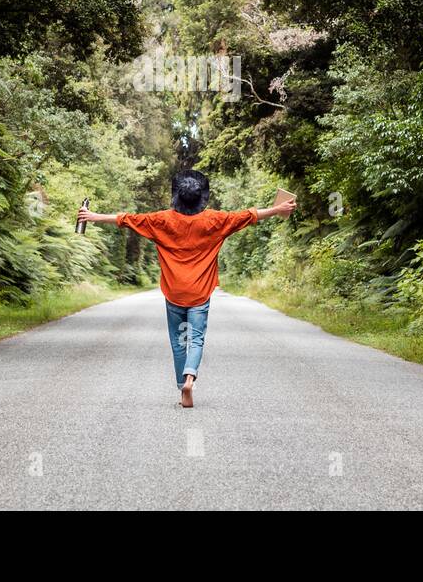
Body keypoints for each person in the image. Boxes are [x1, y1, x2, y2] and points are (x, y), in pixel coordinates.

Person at [76, 170, 296, 408]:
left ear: (177, 197)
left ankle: (183, 388)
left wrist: (94, 216)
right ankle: (191, 376)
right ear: (201, 196)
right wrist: (277, 210)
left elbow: (126, 218)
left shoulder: (161, 220)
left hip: (174, 293)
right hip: (200, 294)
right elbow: (249, 215)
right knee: (197, 339)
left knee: (179, 341)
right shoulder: (216, 220)